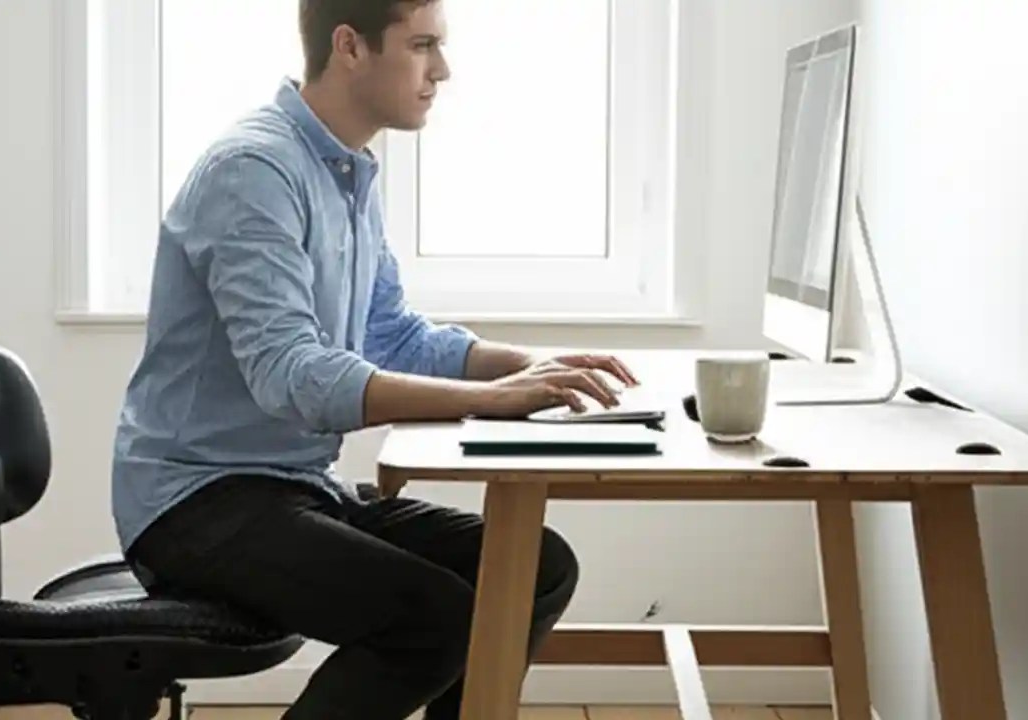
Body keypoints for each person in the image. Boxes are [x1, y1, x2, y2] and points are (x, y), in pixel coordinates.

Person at [110, 0, 640, 718]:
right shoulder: (253, 172)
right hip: (193, 503)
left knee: (533, 569)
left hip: (292, 486)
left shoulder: (346, 171)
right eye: (421, 45)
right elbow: (290, 374)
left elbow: (392, 334)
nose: (442, 70)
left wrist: (536, 367)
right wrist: (490, 400)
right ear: (350, 46)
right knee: (434, 618)